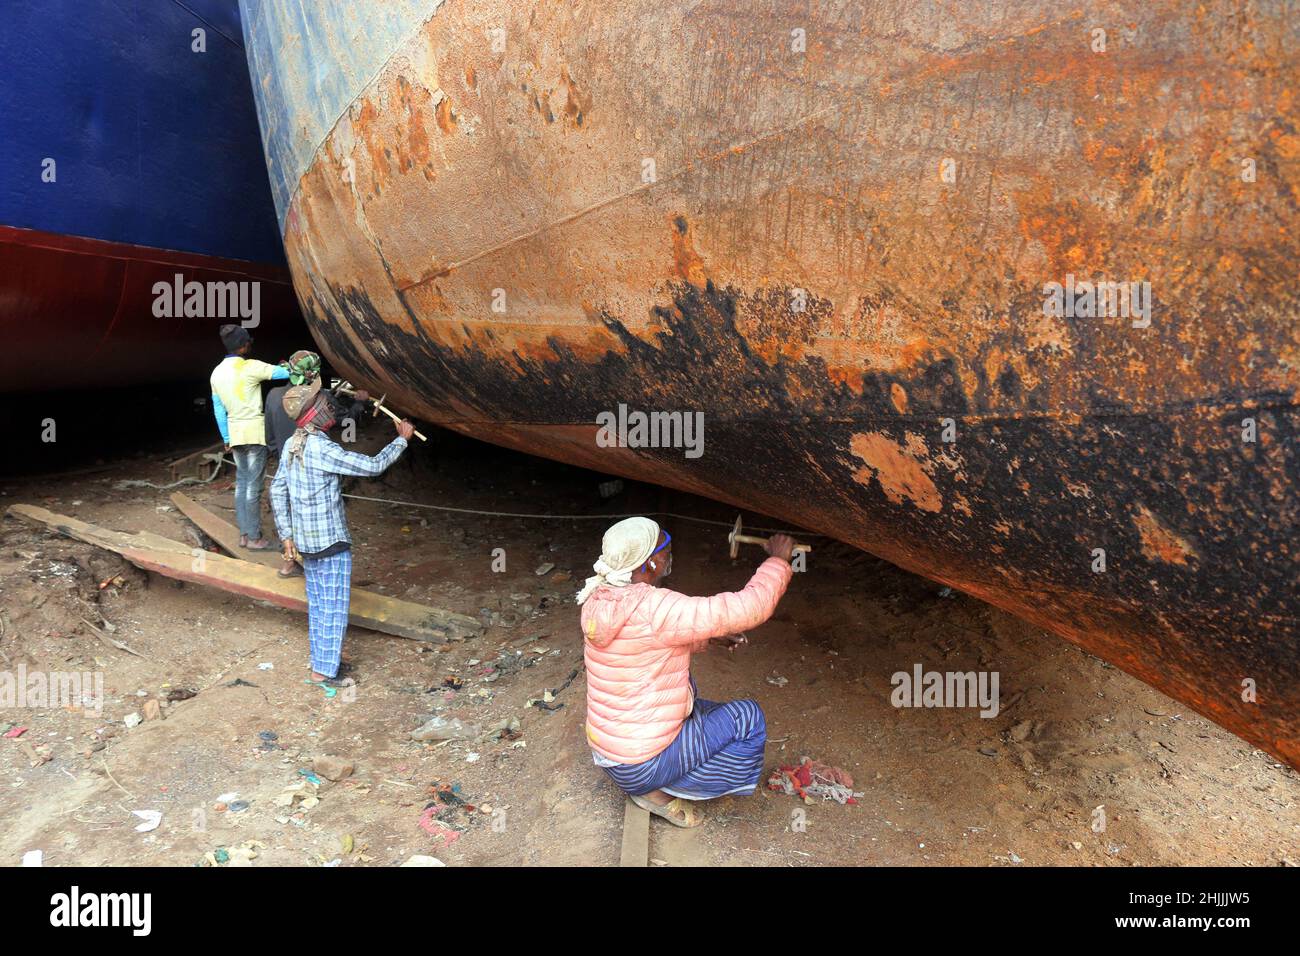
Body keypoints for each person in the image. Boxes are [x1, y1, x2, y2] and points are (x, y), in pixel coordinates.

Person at [578, 516, 795, 828]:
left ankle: (652, 780)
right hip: (641, 765)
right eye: (665, 551)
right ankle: (661, 792)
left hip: (612, 754)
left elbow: (645, 642)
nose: (669, 557)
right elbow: (749, 608)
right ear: (651, 564)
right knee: (749, 718)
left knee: (691, 696)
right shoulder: (656, 606)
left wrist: (705, 636)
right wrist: (777, 559)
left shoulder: (598, 598)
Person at [269, 378, 414, 688]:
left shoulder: (293, 444)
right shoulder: (322, 448)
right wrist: (401, 439)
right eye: (324, 403)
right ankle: (325, 673)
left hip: (307, 544)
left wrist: (287, 536)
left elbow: (277, 489)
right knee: (334, 607)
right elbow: (373, 466)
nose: (329, 406)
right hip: (330, 543)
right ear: (314, 414)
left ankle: (324, 662)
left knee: (320, 605)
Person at [209, 324, 289, 550]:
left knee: (241, 485)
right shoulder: (251, 367)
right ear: (244, 346)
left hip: (235, 435)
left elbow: (218, 410)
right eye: (248, 343)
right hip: (254, 434)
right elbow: (286, 373)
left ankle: (244, 535)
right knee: (254, 488)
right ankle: (255, 539)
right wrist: (287, 366)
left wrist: (225, 437)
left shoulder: (216, 373)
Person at [265, 350, 373, 459]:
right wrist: (359, 402)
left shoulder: (273, 395)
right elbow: (347, 421)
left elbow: (270, 440)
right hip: (316, 463)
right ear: (315, 372)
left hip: (286, 463)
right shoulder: (320, 397)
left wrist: (282, 459)